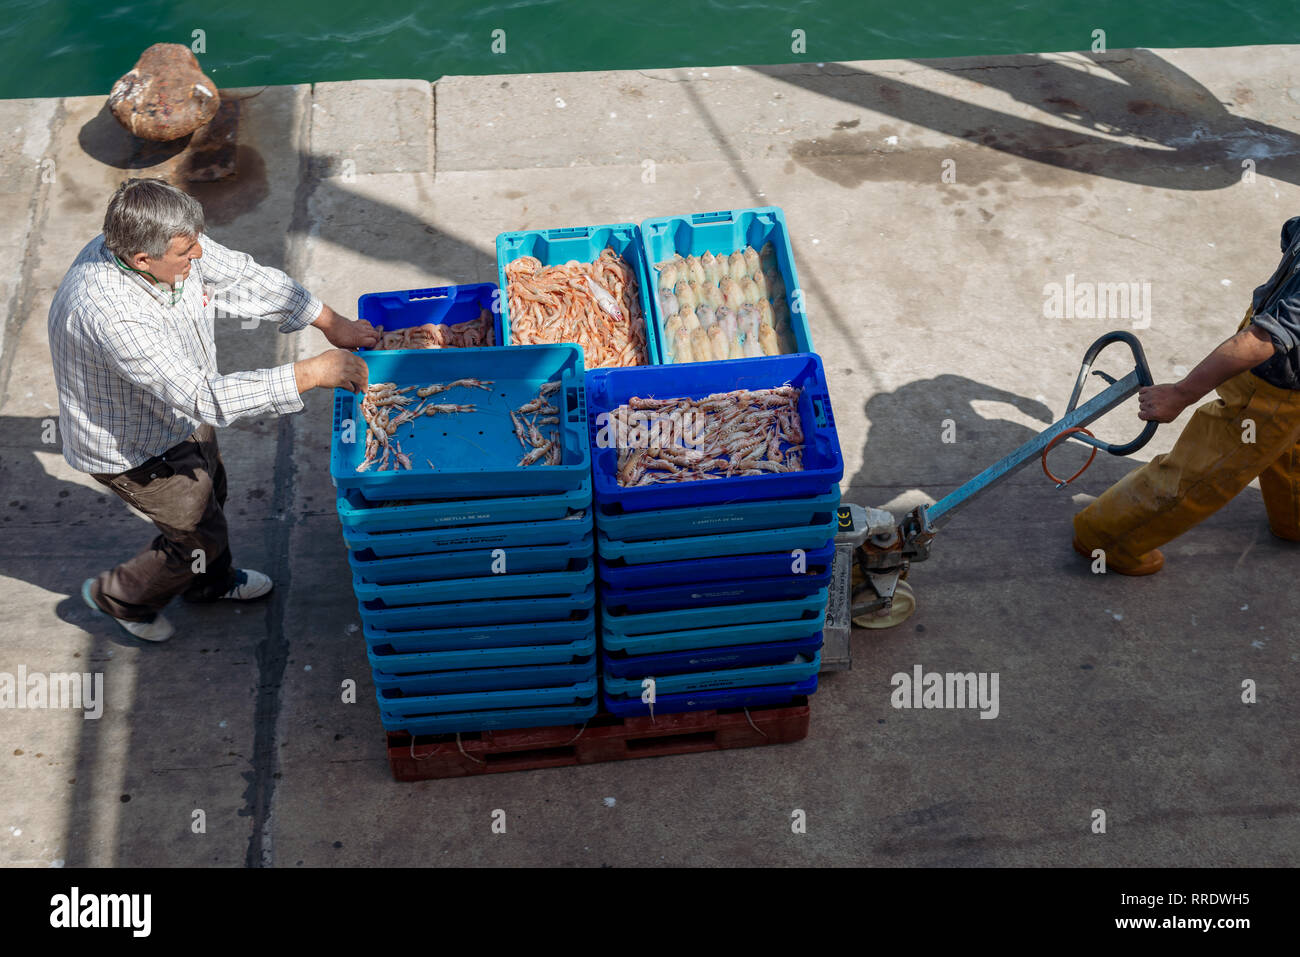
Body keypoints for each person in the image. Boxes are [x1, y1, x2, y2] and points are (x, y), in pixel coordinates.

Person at [49, 177, 378, 640]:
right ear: (142, 259)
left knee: (212, 497)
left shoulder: (165, 246)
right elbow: (208, 397)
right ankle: (122, 597)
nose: (199, 256)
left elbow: (242, 276)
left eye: (195, 243)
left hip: (181, 414)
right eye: (186, 252)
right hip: (136, 446)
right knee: (196, 534)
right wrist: (311, 373)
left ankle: (210, 584)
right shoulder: (112, 314)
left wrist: (330, 322)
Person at [1073, 216, 1300, 575]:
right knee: (1205, 473)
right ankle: (1106, 538)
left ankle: (1293, 519)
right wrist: (1182, 393)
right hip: (1273, 387)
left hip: (1283, 373)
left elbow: (1291, 234)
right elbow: (1261, 340)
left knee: (1290, 453)